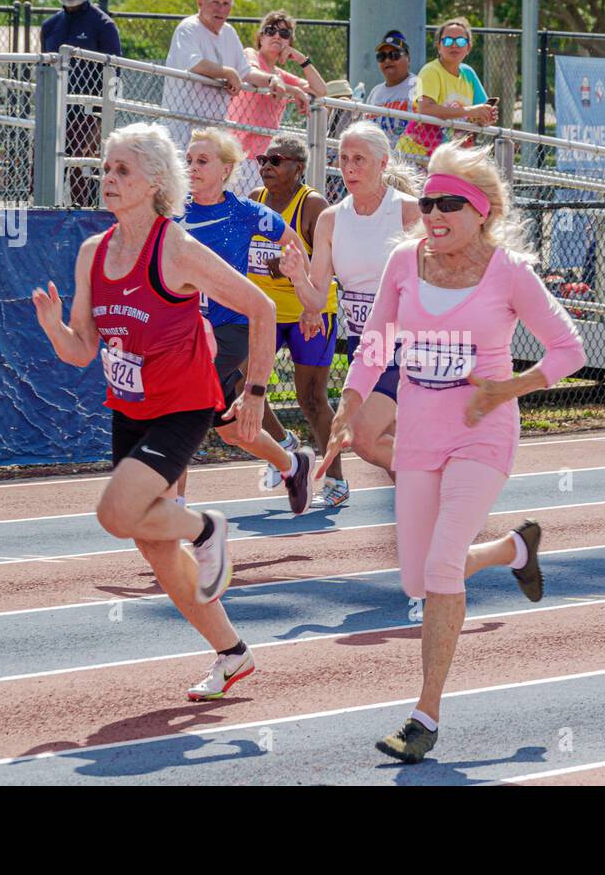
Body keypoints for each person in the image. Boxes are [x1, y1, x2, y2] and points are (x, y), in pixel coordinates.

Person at [299, 141, 586, 763]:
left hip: (483, 432)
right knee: (418, 576)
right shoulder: (405, 262)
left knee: (438, 570)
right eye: (427, 201)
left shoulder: (509, 271)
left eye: (449, 203)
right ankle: (513, 549)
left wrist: (510, 386)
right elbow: (375, 341)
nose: (433, 213)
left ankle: (423, 717)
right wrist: (348, 407)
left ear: (480, 211)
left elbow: (569, 350)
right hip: (421, 434)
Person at [30, 122, 271, 701]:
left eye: (122, 171)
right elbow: (83, 350)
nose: (108, 180)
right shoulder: (93, 253)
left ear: (155, 182)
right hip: (131, 408)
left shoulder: (178, 249)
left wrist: (256, 395)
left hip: (184, 405)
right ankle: (232, 654)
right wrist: (54, 329)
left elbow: (261, 308)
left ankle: (207, 526)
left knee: (116, 513)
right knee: (153, 546)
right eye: (106, 169)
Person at [172, 127, 316, 513]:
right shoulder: (173, 210)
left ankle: (174, 512)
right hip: (185, 329)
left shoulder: (242, 211)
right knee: (232, 430)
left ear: (226, 169)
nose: (192, 167)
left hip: (230, 328)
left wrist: (292, 267)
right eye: (188, 160)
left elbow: (293, 243)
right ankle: (292, 464)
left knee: (179, 406)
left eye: (202, 161)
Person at [279, 121, 421, 491]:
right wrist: (297, 276)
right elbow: (316, 299)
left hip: (407, 345)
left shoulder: (408, 213)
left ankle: (434, 475)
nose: (349, 168)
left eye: (359, 159)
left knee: (363, 436)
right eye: (343, 159)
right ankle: (429, 512)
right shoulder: (331, 220)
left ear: (383, 163)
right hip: (365, 347)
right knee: (386, 444)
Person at [245, 132, 348, 506]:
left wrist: (295, 284)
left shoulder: (312, 206)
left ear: (298, 167)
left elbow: (326, 263)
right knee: (242, 383)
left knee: (311, 399)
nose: (267, 167)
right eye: (263, 160)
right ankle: (285, 444)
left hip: (309, 312)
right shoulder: (254, 201)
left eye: (277, 160)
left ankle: (335, 481)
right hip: (266, 313)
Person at [160, 0, 280, 158]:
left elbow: (245, 71)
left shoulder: (229, 33)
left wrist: (271, 79)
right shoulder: (188, 28)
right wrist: (227, 72)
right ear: (200, 3)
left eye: (226, 3)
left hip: (212, 134)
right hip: (181, 128)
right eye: (215, 2)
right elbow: (195, 63)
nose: (221, 8)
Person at [40, 0, 122, 206]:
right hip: (54, 116)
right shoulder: (49, 27)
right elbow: (43, 71)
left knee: (81, 180)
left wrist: (100, 120)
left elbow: (115, 76)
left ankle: (84, 235)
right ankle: (44, 232)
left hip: (88, 118)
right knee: (42, 176)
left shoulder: (103, 25)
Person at [228, 10, 327, 196]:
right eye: (271, 30)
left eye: (284, 34)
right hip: (239, 154)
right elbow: (253, 75)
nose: (276, 36)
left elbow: (320, 90)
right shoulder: (251, 55)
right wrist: (293, 89)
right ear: (261, 37)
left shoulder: (281, 76)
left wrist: (301, 59)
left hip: (264, 160)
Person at [396, 18, 497, 160]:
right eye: (448, 41)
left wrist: (485, 117)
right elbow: (425, 109)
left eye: (460, 41)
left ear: (468, 47)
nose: (454, 45)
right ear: (439, 46)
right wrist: (470, 111)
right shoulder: (431, 71)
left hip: (450, 158)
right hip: (417, 156)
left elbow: (479, 112)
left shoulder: (468, 74)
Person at [366, 29, 419, 148]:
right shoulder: (375, 92)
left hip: (409, 160)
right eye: (382, 56)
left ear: (408, 58)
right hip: (377, 159)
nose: (387, 60)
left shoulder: (418, 85)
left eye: (394, 55)